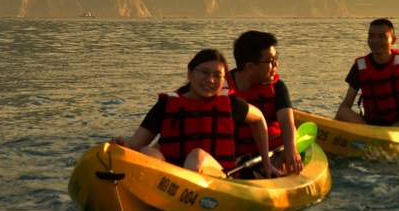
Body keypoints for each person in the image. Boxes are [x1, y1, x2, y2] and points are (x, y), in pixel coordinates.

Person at [115, 49, 278, 177]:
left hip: (215, 179)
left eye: (217, 75)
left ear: (224, 81)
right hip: (171, 179)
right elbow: (135, 144)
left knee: (196, 157)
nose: (211, 80)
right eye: (204, 73)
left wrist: (266, 163)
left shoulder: (231, 105)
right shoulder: (166, 105)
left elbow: (259, 119)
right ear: (190, 73)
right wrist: (121, 146)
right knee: (147, 153)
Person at [336, 18, 399, 127]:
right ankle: (375, 134)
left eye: (381, 36)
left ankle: (386, 133)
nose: (375, 41)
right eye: (371, 36)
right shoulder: (360, 65)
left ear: (393, 40)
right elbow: (347, 102)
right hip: (372, 125)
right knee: (343, 111)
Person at [227, 30, 302, 176]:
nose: (276, 64)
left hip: (274, 153)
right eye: (270, 61)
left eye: (276, 58)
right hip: (239, 159)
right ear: (249, 67)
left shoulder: (278, 87)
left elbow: (287, 123)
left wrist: (290, 150)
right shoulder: (223, 90)